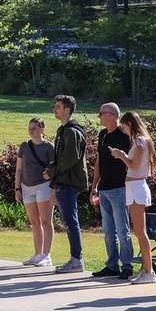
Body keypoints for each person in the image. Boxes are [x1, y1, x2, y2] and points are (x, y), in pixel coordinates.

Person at [111, 111, 156, 285]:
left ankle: (149, 270)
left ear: (130, 124)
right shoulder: (140, 141)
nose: (123, 130)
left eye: (124, 126)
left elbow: (134, 165)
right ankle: (146, 269)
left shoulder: (139, 141)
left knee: (140, 231)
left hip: (137, 186)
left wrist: (121, 155)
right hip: (133, 186)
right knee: (138, 231)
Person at [90, 103, 133, 280]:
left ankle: (127, 265)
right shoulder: (102, 135)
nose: (98, 117)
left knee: (122, 230)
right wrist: (94, 186)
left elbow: (132, 161)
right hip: (104, 189)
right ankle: (112, 265)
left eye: (101, 114)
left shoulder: (124, 135)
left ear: (110, 115)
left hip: (119, 188)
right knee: (108, 230)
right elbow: (99, 161)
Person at [48, 94, 87, 274]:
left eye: (58, 106)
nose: (55, 109)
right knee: (69, 221)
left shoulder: (72, 132)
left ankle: (77, 260)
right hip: (64, 180)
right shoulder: (64, 130)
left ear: (67, 110)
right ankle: (75, 259)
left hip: (69, 181)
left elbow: (70, 159)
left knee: (71, 222)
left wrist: (52, 171)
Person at [15, 117, 55, 267]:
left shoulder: (49, 147)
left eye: (34, 128)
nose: (31, 131)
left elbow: (53, 170)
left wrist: (54, 189)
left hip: (44, 185)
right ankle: (37, 254)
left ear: (42, 130)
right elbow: (19, 169)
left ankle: (47, 255)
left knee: (45, 220)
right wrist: (17, 188)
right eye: (29, 128)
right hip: (27, 186)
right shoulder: (24, 146)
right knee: (34, 222)